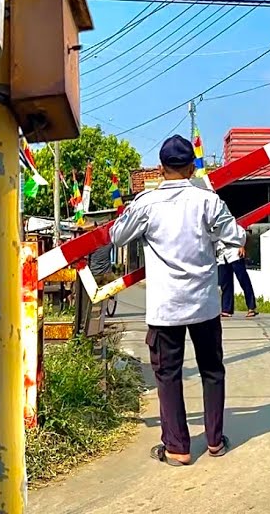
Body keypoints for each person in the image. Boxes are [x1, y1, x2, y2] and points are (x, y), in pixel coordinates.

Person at [109, 134, 246, 467]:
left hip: (165, 307)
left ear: (160, 167)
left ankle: (178, 447)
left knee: (168, 375)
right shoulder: (207, 201)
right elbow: (236, 236)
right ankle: (214, 441)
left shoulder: (146, 203)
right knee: (212, 370)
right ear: (191, 166)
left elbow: (116, 236)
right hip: (203, 305)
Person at [217, 239, 257, 318]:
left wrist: (241, 245)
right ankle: (226, 309)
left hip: (235, 252)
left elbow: (241, 233)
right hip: (221, 253)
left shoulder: (235, 226)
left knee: (243, 280)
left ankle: (251, 307)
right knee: (225, 283)